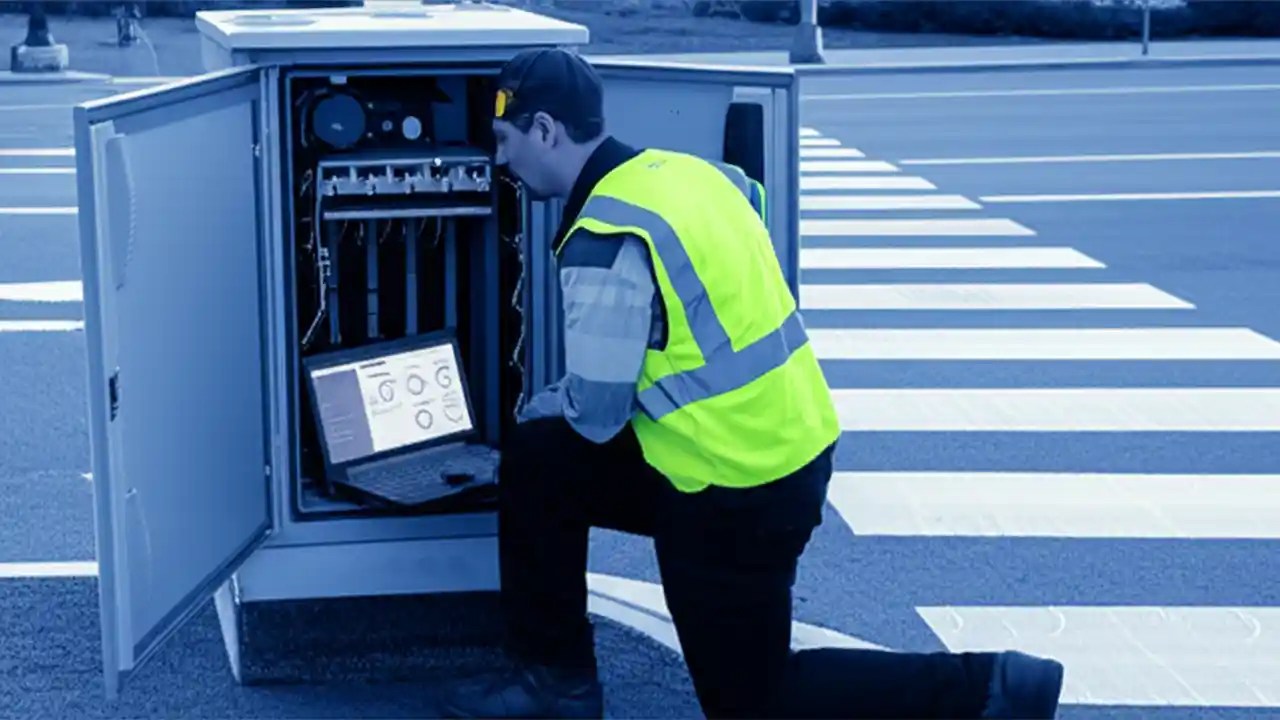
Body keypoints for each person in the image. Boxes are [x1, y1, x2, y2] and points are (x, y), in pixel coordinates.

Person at [439, 47, 1066, 720]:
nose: (501, 163)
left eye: (505, 141)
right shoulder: (689, 175)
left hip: (734, 489)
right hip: (790, 448)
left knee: (753, 701)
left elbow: (594, 415)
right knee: (540, 462)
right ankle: (553, 684)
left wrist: (548, 398)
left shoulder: (603, 234)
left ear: (543, 131)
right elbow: (734, 238)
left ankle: (988, 688)